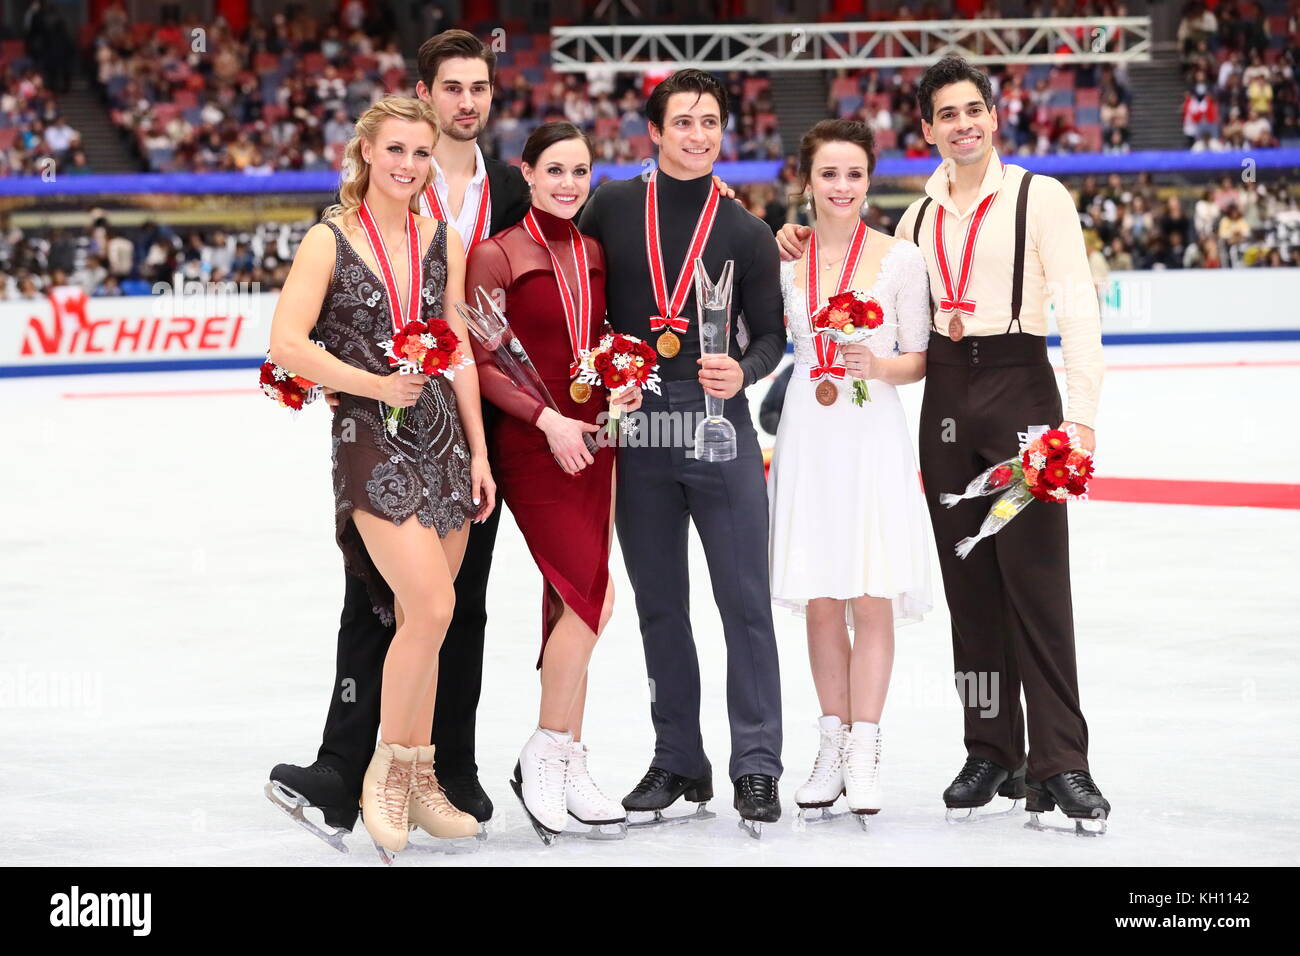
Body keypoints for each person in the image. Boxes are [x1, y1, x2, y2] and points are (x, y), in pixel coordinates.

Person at [778, 54, 1110, 832]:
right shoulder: (917, 220)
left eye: (974, 110)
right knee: (970, 586)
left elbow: (1079, 308)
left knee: (1035, 581)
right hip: (949, 397)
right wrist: (797, 236)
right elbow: (862, 273)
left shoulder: (1041, 197)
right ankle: (990, 747)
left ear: (993, 115)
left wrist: (1082, 416)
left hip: (1023, 385)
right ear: (926, 129)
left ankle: (1061, 762)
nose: (963, 125)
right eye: (946, 115)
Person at [267, 30, 531, 847]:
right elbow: (287, 344)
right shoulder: (328, 238)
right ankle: (383, 771)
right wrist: (375, 384)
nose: (411, 163)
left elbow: (453, 343)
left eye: (421, 152)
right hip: (371, 436)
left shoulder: (443, 241)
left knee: (439, 617)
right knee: (426, 604)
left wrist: (483, 451)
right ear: (367, 153)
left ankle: (420, 779)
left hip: (449, 439)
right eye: (398, 149)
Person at [577, 69, 787, 832]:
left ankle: (757, 764)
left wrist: (748, 367)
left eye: (711, 122)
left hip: (719, 423)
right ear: (655, 133)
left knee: (745, 605)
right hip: (640, 427)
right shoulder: (611, 206)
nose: (699, 135)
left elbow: (771, 333)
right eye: (685, 122)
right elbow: (579, 298)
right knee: (660, 606)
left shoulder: (745, 229)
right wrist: (600, 380)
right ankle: (678, 760)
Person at [465, 122, 638, 840]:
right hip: (536, 446)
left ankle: (567, 754)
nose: (569, 183)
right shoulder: (495, 255)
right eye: (555, 170)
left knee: (576, 597)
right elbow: (481, 362)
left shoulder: (592, 251)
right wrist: (547, 420)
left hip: (597, 441)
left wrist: (619, 387)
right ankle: (546, 749)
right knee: (590, 596)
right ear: (528, 173)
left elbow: (594, 342)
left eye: (580, 171)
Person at [768, 119, 933, 824]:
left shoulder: (899, 259)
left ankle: (865, 743)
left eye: (854, 175)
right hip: (809, 431)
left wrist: (877, 364)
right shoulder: (785, 259)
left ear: (869, 181)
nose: (841, 187)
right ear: (807, 180)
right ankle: (830, 740)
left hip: (871, 432)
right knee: (821, 594)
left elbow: (921, 357)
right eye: (828, 174)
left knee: (870, 592)